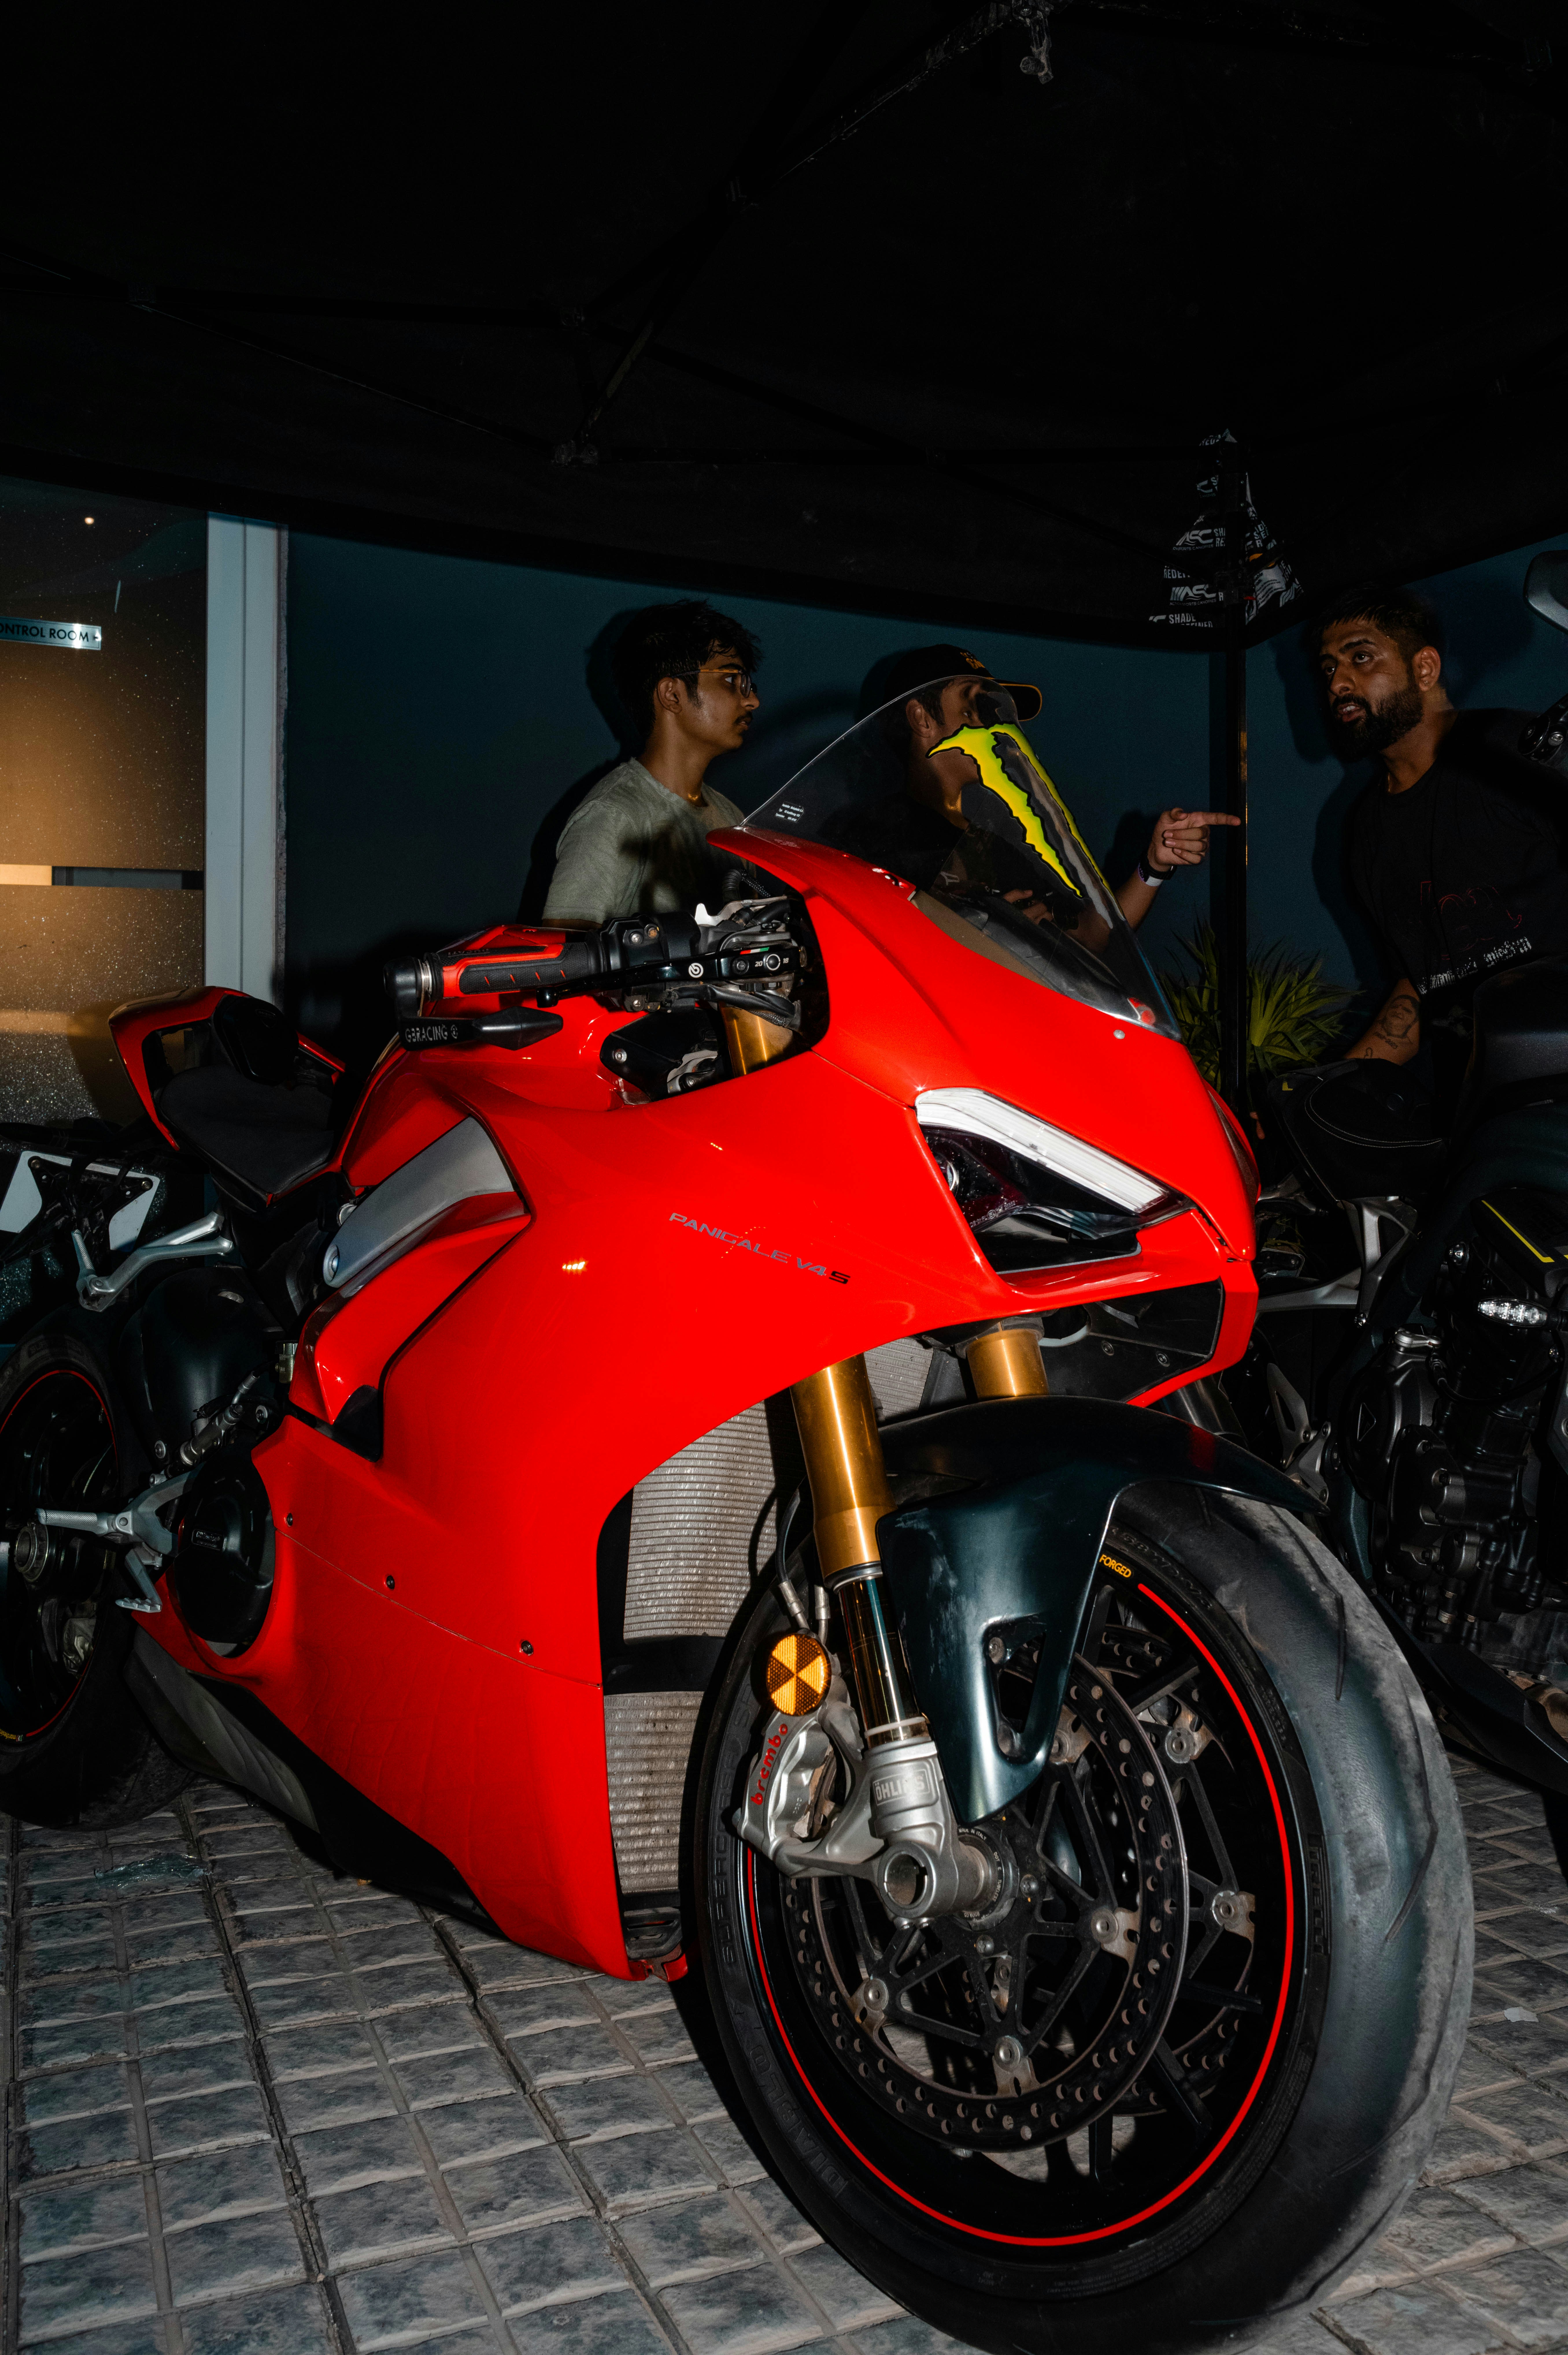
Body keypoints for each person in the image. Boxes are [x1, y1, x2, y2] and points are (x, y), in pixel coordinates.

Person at [1319, 583, 1568, 1092]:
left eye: (1359, 657)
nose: (1337, 682)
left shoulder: (1513, 750)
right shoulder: (1365, 831)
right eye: (1327, 669)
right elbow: (1426, 982)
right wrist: (1328, 1089)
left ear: (1424, 669)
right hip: (1479, 1115)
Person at [844, 645, 1236, 931]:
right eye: (974, 706)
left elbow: (1093, 936)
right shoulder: (869, 836)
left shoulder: (997, 840)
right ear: (922, 718)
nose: (996, 725)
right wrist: (987, 931)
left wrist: (1154, 864)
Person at [543, 601, 761, 926]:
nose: (752, 700)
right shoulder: (615, 816)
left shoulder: (732, 819)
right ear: (672, 695)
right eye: (732, 680)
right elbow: (565, 966)